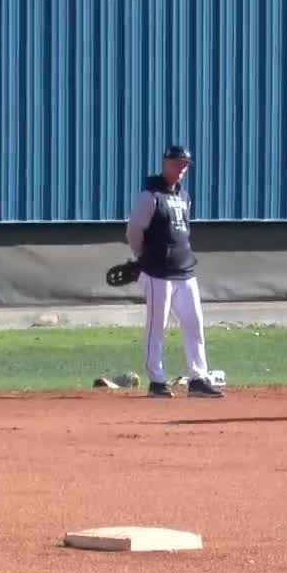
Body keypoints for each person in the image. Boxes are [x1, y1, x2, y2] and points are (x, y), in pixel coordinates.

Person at [124, 143, 224, 399]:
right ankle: (157, 381)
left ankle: (198, 379)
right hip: (158, 272)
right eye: (176, 163)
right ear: (165, 163)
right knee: (157, 327)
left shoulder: (183, 196)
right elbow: (134, 231)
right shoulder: (150, 196)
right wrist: (141, 257)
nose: (181, 169)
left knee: (194, 325)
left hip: (185, 270)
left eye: (184, 165)